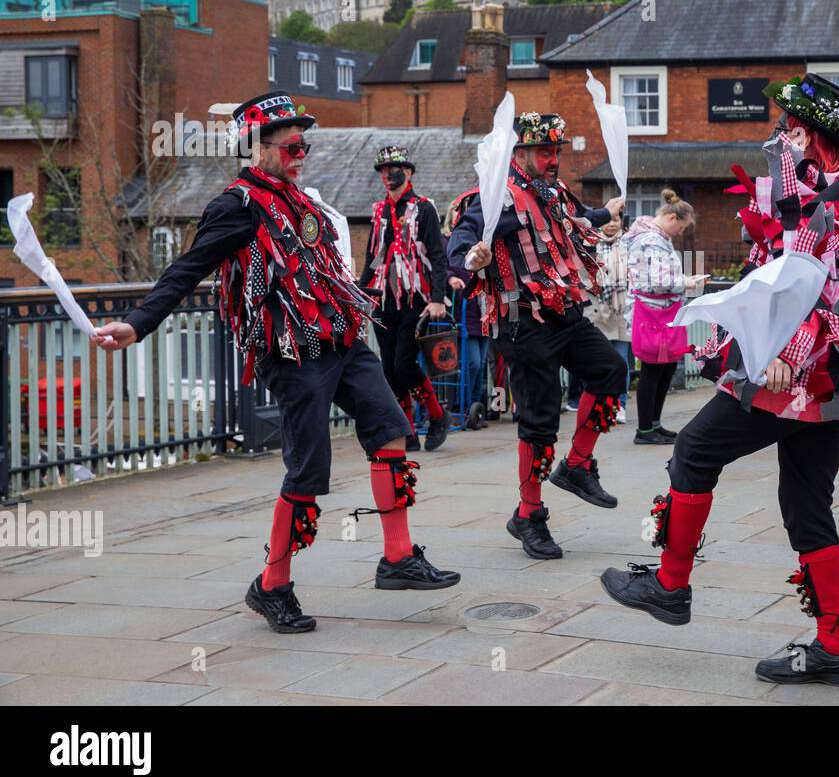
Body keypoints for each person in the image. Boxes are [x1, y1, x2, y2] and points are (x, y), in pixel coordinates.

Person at [600, 74, 839, 688]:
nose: (774, 137)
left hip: (795, 373)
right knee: (807, 507)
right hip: (825, 378)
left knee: (694, 451)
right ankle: (835, 646)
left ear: (804, 134)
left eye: (784, 127)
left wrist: (789, 347)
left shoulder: (828, 205)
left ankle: (671, 586)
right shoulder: (837, 201)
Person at [92, 93, 460, 634]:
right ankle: (271, 585)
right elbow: (188, 267)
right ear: (255, 148)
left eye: (303, 142)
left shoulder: (301, 200)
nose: (301, 151)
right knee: (308, 472)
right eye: (291, 143)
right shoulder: (235, 206)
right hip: (291, 354)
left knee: (389, 429)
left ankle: (398, 557)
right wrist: (139, 322)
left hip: (343, 339)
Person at [446, 112, 627, 560]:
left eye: (556, 151)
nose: (553, 159)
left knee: (611, 371)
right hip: (523, 324)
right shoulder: (500, 198)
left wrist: (605, 216)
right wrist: (470, 257)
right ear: (520, 154)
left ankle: (578, 465)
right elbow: (465, 234)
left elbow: (574, 218)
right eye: (545, 152)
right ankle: (529, 514)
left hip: (563, 314)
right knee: (540, 423)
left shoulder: (552, 191)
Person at [358, 145, 450, 452]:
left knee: (404, 364)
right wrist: (360, 292)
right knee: (388, 368)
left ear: (407, 173)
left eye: (393, 170)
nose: (386, 176)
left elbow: (438, 257)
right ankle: (407, 430)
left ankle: (437, 416)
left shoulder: (424, 209)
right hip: (384, 298)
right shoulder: (379, 211)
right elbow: (373, 256)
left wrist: (437, 298)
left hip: (415, 299)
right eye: (382, 171)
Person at [625, 191, 707, 445]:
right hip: (654, 311)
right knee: (653, 367)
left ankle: (653, 424)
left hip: (659, 310)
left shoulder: (658, 238)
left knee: (665, 366)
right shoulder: (652, 240)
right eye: (681, 227)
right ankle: (645, 430)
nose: (680, 233)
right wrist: (689, 282)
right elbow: (659, 281)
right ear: (672, 217)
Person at [573, 217, 634, 424]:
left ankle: (620, 405)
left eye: (615, 220)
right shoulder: (591, 242)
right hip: (597, 311)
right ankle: (595, 404)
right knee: (594, 362)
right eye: (607, 220)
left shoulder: (628, 244)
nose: (611, 224)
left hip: (620, 310)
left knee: (621, 361)